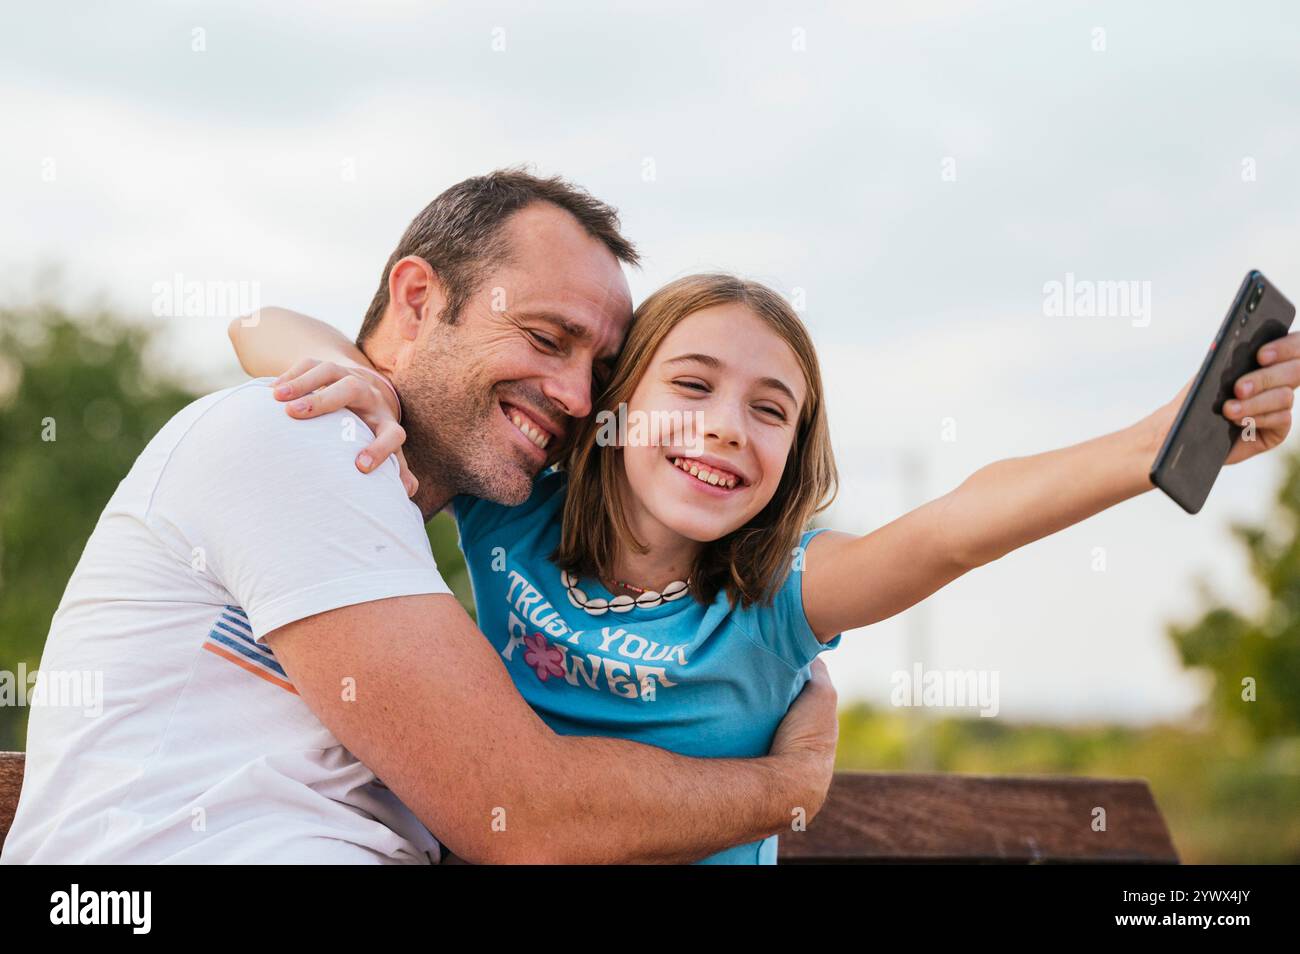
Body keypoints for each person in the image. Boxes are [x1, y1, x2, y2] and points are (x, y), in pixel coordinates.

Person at [239, 268, 1300, 864]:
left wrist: (1162, 438)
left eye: (768, 409)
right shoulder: (514, 509)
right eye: (690, 385)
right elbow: (256, 323)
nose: (724, 428)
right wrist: (354, 378)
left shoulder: (779, 594)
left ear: (794, 450)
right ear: (610, 407)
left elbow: (957, 525)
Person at [0, 169, 840, 865]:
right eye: (549, 339)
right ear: (416, 299)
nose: (580, 398)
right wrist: (788, 789)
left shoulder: (386, 496)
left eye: (602, 369)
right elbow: (522, 810)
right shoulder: (303, 437)